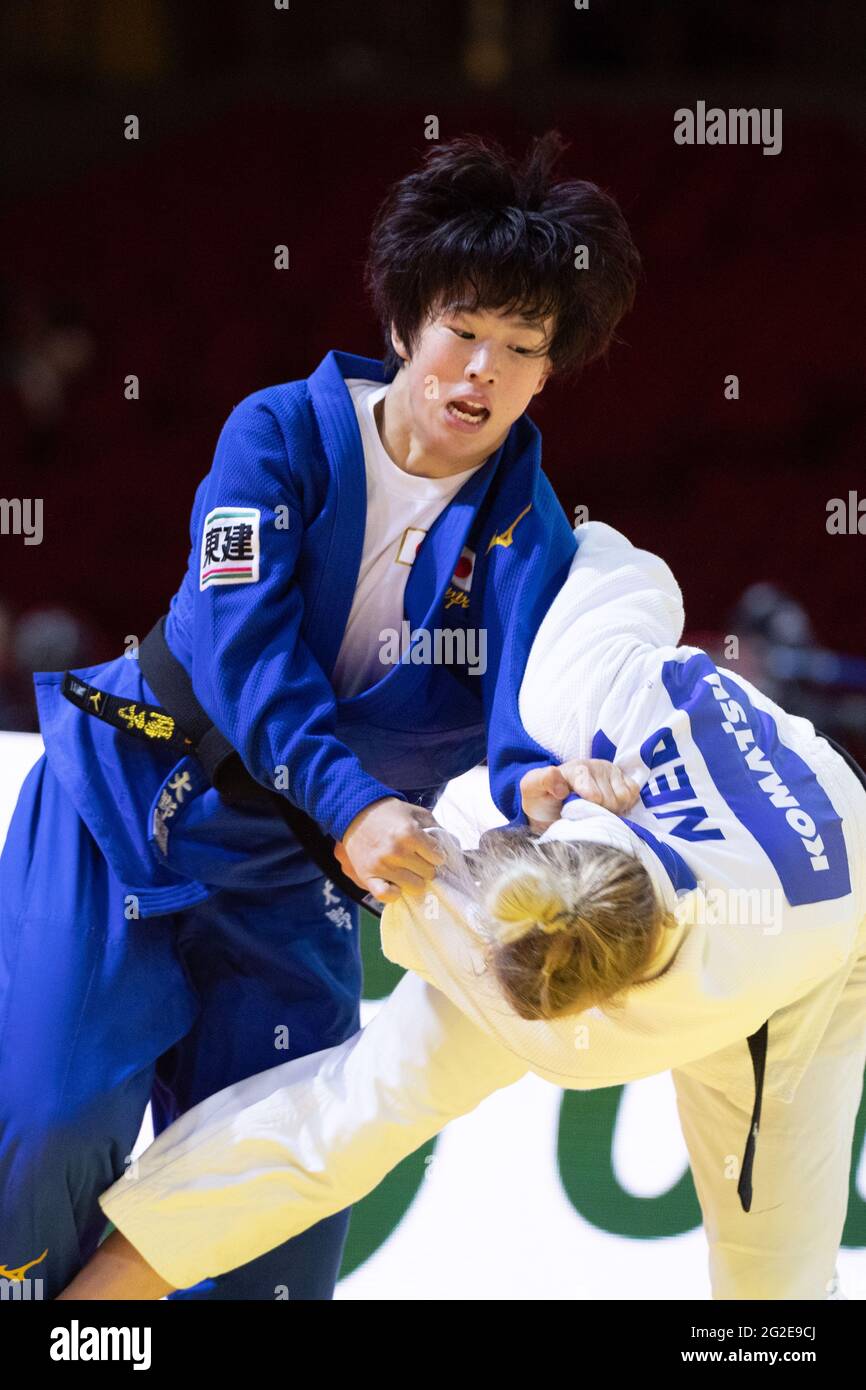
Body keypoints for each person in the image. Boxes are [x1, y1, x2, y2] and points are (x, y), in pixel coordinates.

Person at [0, 132, 643, 1301]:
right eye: (461, 329)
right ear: (404, 324)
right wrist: (351, 802)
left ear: (550, 373)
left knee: (281, 1225)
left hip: (289, 875)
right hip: (123, 804)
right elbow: (239, 648)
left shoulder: (532, 532)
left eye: (520, 348)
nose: (480, 372)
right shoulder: (275, 438)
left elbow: (514, 724)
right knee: (44, 1128)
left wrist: (533, 784)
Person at [59, 521, 866, 1302]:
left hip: (817, 943)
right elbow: (619, 558)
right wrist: (518, 745)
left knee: (774, 1287)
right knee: (352, 1116)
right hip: (644, 827)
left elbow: (435, 906)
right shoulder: (585, 689)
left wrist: (388, 861)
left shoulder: (634, 1021)